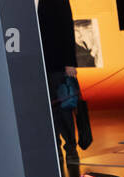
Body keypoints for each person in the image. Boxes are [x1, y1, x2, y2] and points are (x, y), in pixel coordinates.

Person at [38, 0, 80, 165]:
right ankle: (54, 148)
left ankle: (70, 148)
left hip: (57, 64)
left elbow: (67, 28)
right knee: (47, 111)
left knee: (64, 108)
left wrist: (70, 62)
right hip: (37, 65)